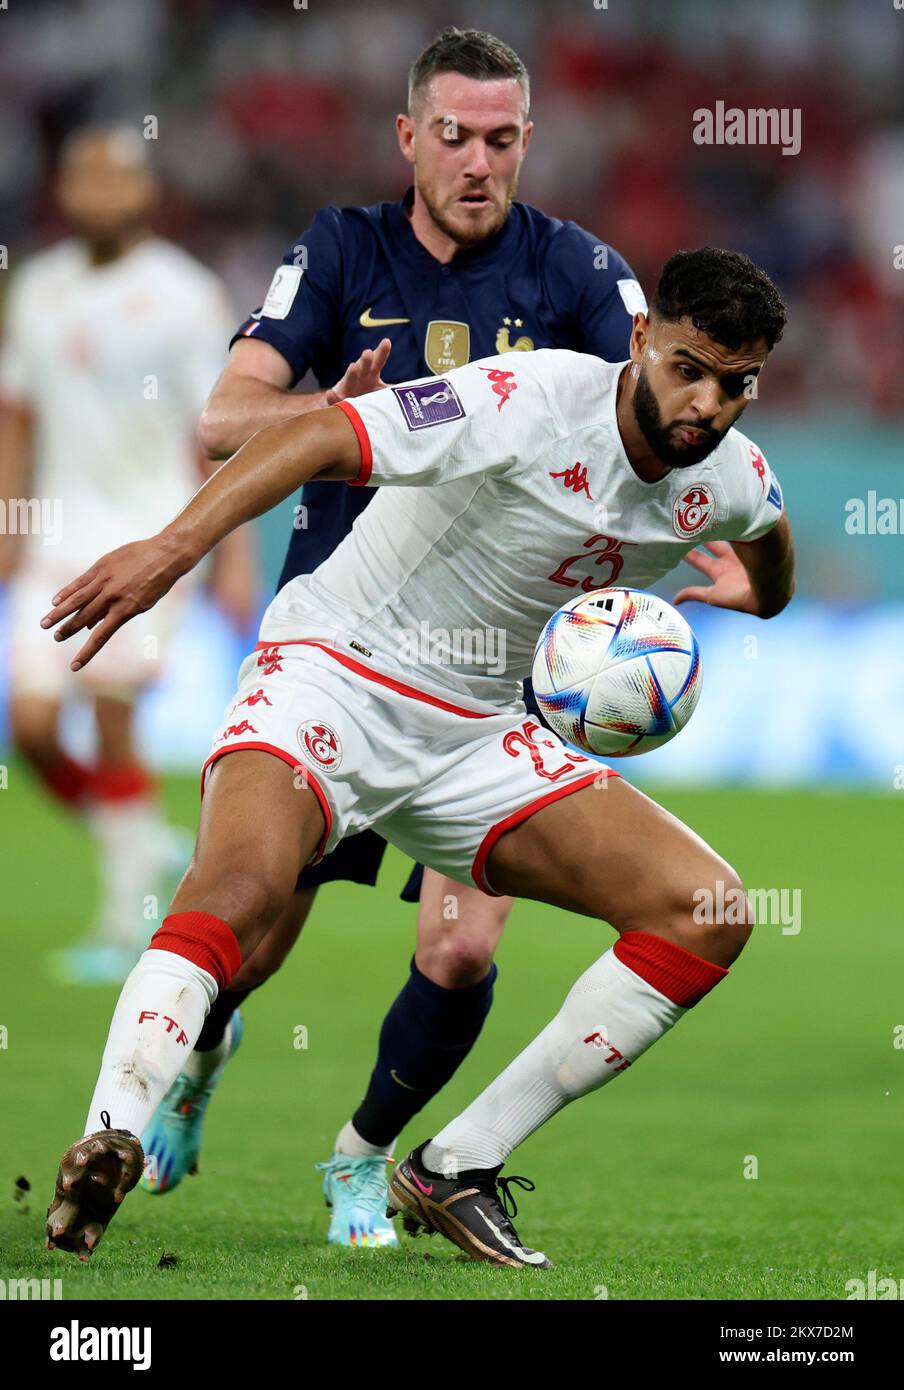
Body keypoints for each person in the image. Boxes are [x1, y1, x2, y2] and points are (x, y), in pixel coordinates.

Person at [43, 246, 794, 1265]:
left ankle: (453, 1162)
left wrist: (765, 594)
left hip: (481, 729)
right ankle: (113, 1133)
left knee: (705, 911)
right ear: (638, 342)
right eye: (686, 366)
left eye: (735, 382)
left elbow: (767, 529)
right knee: (238, 897)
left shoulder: (732, 477)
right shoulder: (524, 398)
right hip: (336, 674)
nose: (707, 402)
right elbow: (317, 435)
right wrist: (169, 555)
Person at [141, 25, 647, 1246]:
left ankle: (362, 1158)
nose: (479, 161)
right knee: (247, 941)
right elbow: (222, 417)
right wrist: (329, 407)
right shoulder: (340, 247)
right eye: (455, 136)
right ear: (409, 138)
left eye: (503, 137)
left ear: (529, 140)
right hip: (338, 653)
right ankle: (203, 1052)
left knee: (465, 945)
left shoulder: (578, 275)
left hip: (489, 670)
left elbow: (646, 426)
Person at [0, 126, 255, 985]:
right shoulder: (36, 288)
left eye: (115, 179)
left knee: (112, 713)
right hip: (55, 539)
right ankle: (139, 842)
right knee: (31, 728)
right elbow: (17, 413)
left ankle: (122, 923)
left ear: (144, 191)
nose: (98, 194)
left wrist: (227, 552)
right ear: (64, 191)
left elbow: (213, 432)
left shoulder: (185, 295)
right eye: (82, 178)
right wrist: (9, 523)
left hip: (151, 537)